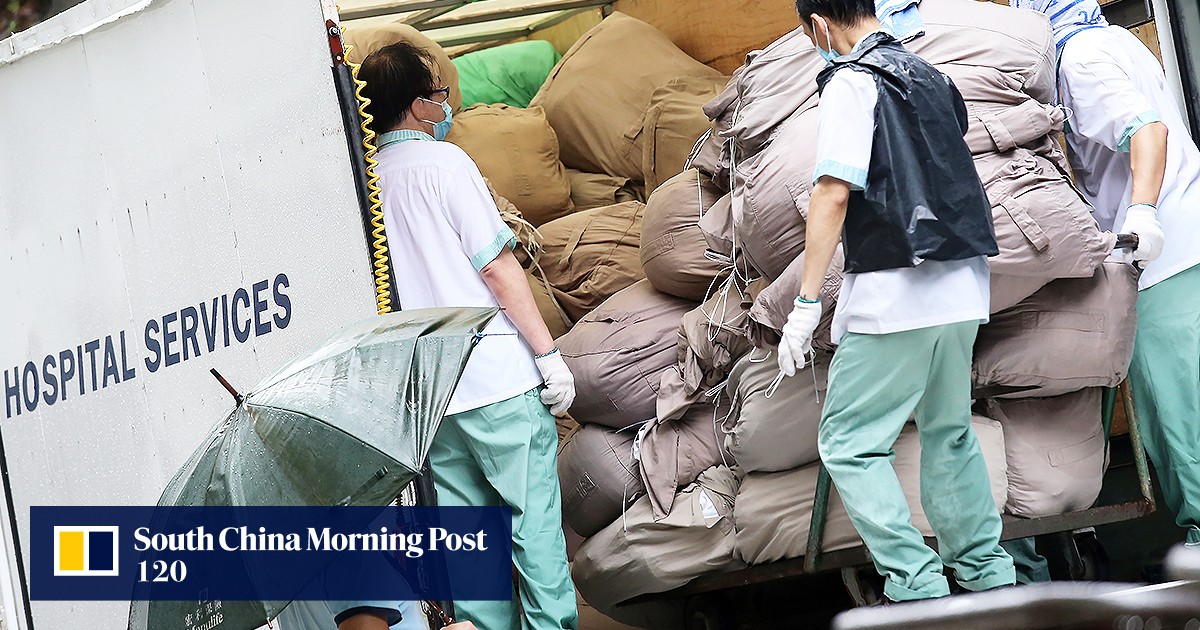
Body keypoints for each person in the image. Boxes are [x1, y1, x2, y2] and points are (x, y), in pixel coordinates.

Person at [778, 0, 1016, 602]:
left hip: (895, 294)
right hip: (963, 285)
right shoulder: (931, 75)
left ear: (819, 26)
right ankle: (987, 574)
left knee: (849, 442)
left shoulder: (850, 83)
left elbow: (833, 192)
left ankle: (915, 586)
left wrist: (806, 306)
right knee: (949, 430)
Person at [356, 42, 579, 630]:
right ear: (416, 107)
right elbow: (498, 269)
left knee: (470, 557)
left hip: (431, 398)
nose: (444, 103)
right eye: (436, 94)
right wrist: (548, 355)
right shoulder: (446, 164)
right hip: (495, 378)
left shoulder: (364, 181)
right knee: (535, 535)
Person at [1009, 0, 1200, 549]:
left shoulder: (1079, 59)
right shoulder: (1115, 39)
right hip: (1189, 249)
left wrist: (1139, 213)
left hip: (1163, 266)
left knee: (1182, 431)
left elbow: (1148, 132)